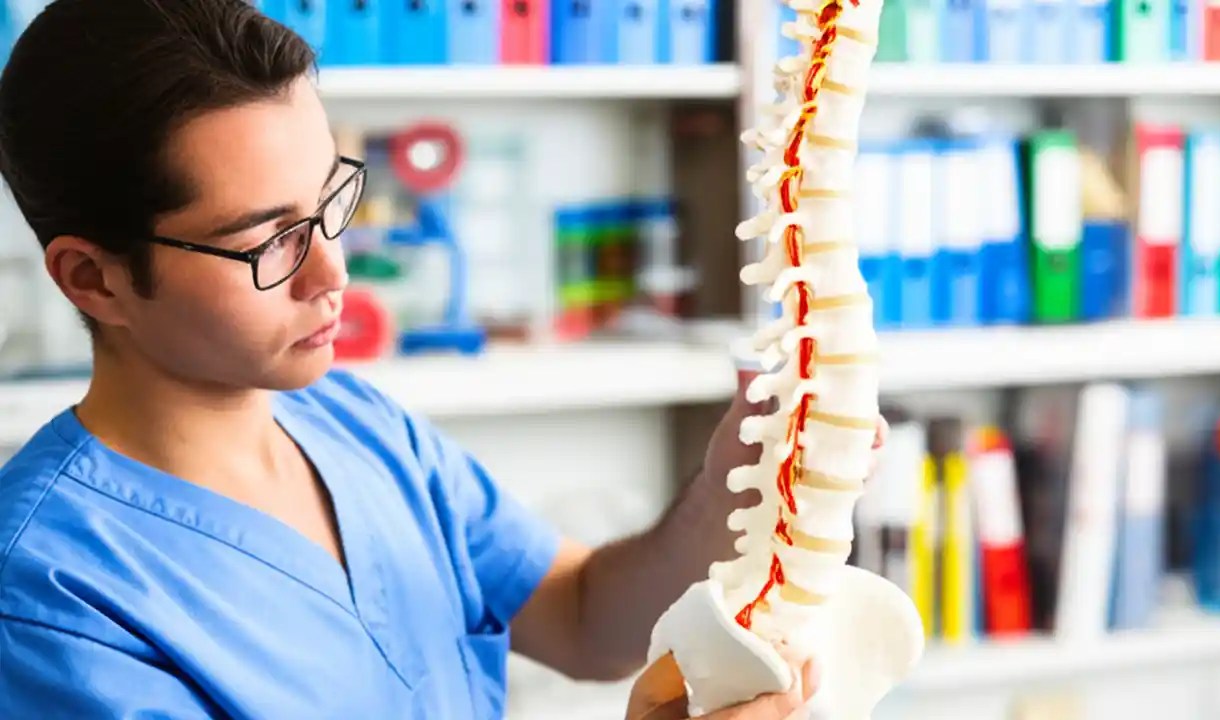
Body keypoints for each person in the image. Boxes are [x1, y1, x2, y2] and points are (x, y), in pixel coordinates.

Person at [0, 1, 885, 718]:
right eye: (268, 241)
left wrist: (731, 483)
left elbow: (585, 619)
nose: (333, 273)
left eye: (329, 203)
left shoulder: (356, 426)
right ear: (94, 279)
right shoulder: (52, 600)